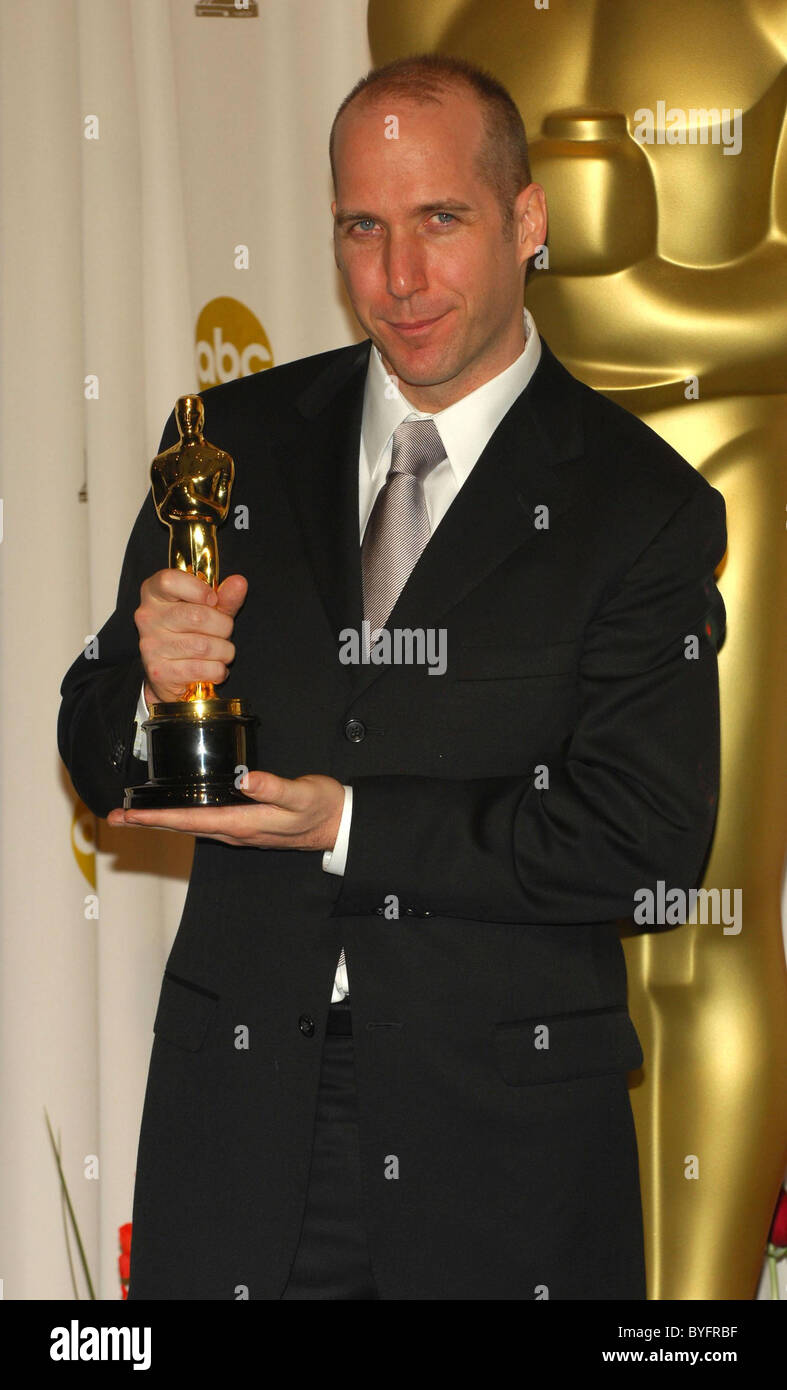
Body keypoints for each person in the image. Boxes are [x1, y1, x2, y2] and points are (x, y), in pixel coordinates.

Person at [57, 54, 726, 1300]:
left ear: (526, 222)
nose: (399, 278)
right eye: (363, 227)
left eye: (440, 221)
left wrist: (352, 824)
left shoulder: (640, 509)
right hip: (243, 1129)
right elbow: (99, 742)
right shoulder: (228, 447)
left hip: (507, 1154)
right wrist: (151, 689)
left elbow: (644, 846)